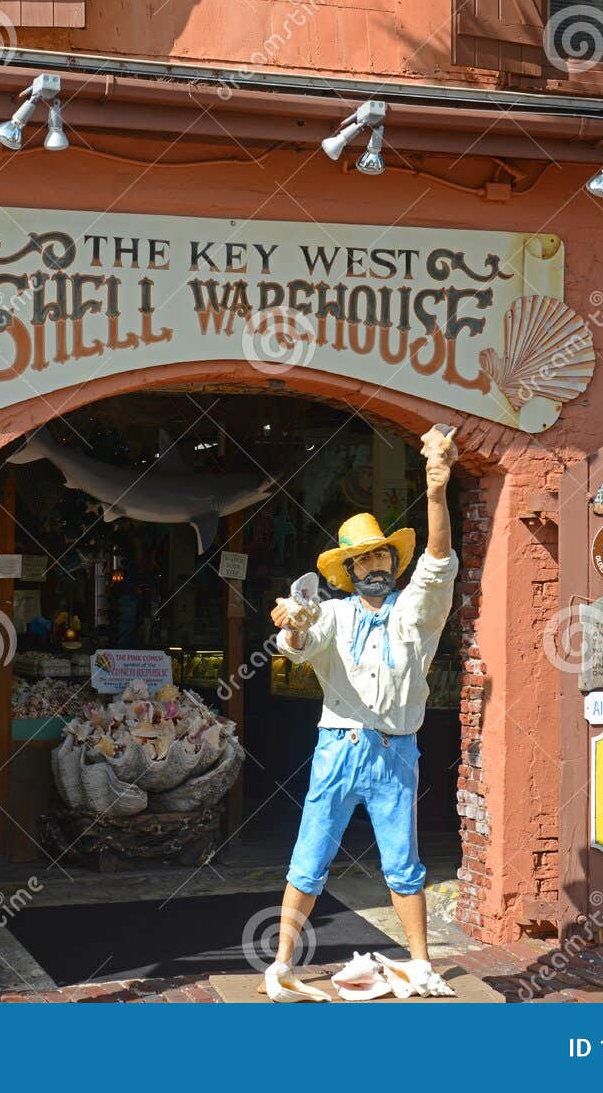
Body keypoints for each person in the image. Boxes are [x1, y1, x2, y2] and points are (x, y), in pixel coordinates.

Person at [263, 424, 459, 1002]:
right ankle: (280, 964)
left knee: (404, 863)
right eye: (361, 558)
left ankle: (420, 964)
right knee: (309, 858)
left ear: (392, 560)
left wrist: (437, 491)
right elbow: (300, 643)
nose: (373, 563)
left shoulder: (416, 611)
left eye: (380, 553)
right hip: (338, 748)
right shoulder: (334, 614)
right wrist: (291, 625)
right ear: (347, 572)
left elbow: (438, 560)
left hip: (396, 752)